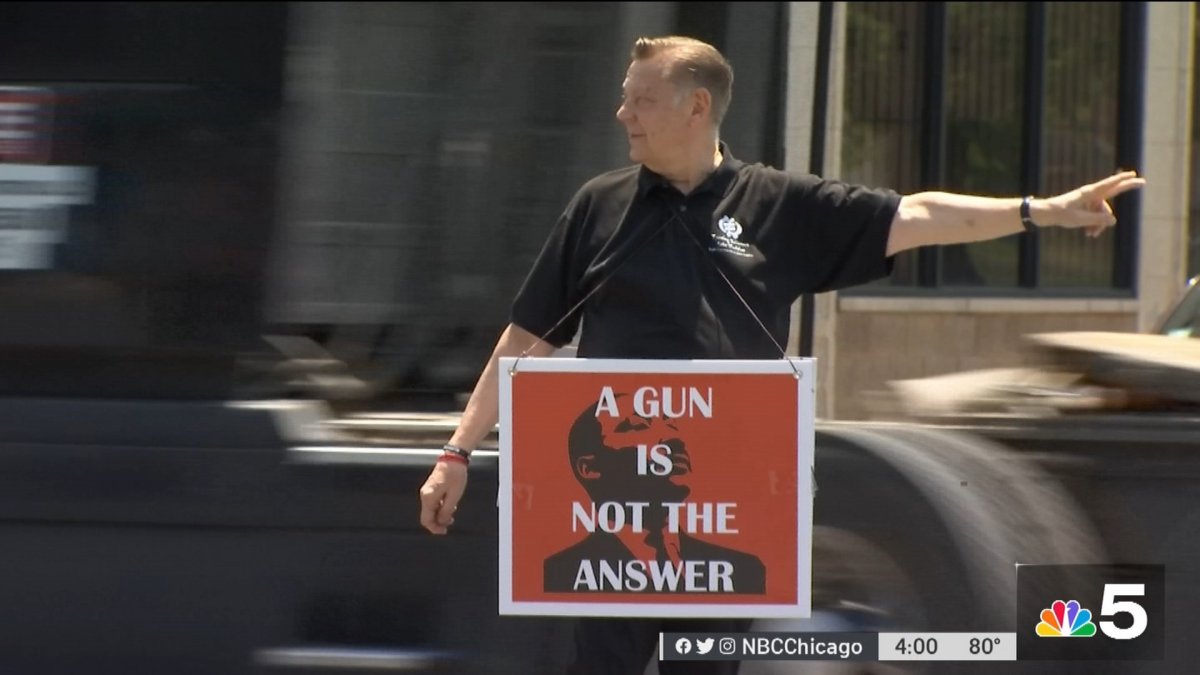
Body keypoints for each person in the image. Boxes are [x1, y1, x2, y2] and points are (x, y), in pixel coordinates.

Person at [419, 35, 1145, 675]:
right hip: (613, 514)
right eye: (624, 98)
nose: (622, 114)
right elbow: (525, 339)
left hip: (729, 501)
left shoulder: (782, 205)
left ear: (696, 106)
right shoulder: (597, 207)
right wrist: (457, 452)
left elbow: (918, 214)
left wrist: (1043, 211)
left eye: (641, 100)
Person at [543, 396, 766, 594]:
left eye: (671, 424)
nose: (673, 437)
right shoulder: (559, 574)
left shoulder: (744, 571)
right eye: (638, 426)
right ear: (590, 468)